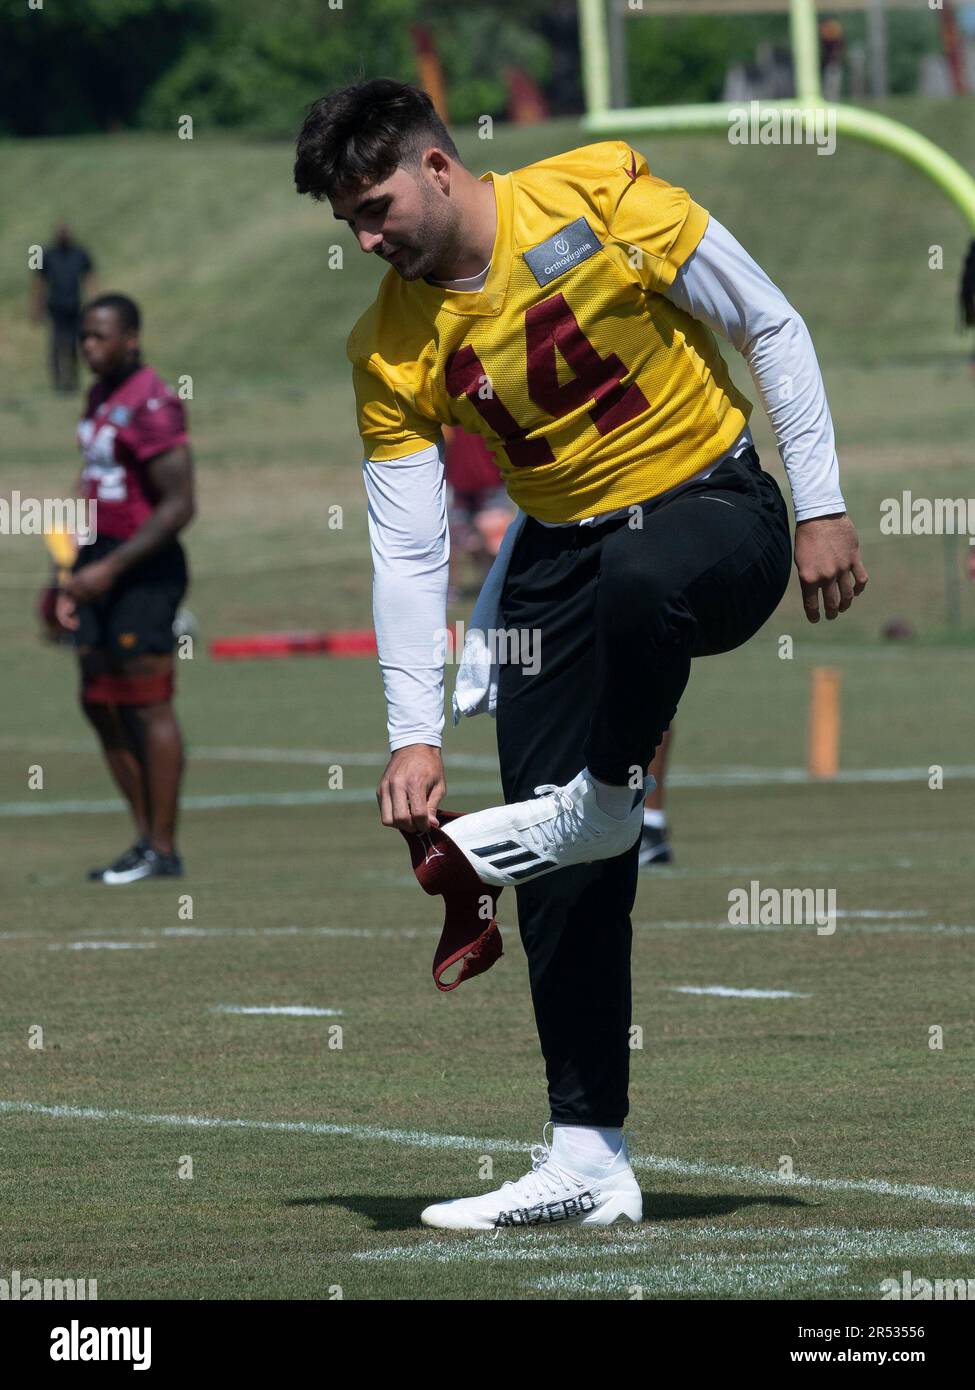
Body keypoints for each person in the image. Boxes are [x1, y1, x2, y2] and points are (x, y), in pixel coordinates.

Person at [295, 79, 867, 1230]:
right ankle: (588, 1157)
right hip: (562, 563)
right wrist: (413, 732)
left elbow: (769, 320)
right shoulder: (391, 346)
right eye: (346, 223)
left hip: (714, 511)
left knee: (643, 581)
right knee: (557, 864)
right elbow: (410, 551)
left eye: (374, 205)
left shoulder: (598, 194)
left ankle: (610, 799)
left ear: (437, 166)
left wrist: (823, 506)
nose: (365, 240)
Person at [56, 294, 195, 884]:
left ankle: (162, 848)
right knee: (99, 700)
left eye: (99, 336)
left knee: (146, 702)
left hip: (143, 566)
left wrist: (110, 571)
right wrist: (65, 572)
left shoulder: (153, 401)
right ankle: (143, 840)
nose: (89, 346)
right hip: (95, 558)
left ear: (131, 338)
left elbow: (180, 505)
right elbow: (90, 483)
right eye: (84, 336)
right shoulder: (98, 394)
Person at [444, 424, 515, 601]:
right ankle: (487, 584)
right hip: (461, 481)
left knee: (496, 540)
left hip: (488, 479)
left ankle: (504, 585)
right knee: (464, 540)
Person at [30, 223, 96, 392]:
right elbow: (39, 281)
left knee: (75, 345)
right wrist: (36, 307)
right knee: (56, 344)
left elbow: (89, 278)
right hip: (56, 307)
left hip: (74, 306)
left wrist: (95, 303)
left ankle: (73, 381)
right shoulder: (47, 254)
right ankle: (57, 382)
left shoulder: (80, 253)